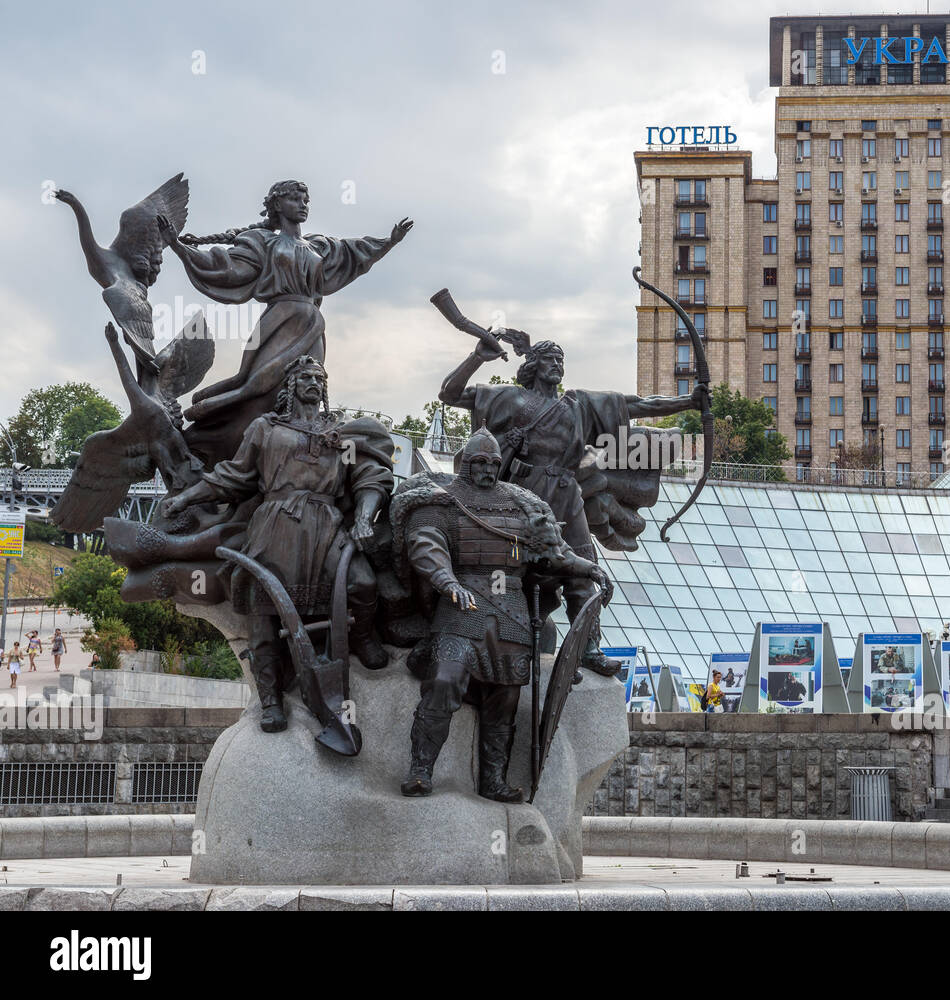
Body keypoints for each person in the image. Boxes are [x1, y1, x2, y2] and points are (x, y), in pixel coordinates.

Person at [439, 334, 705, 677]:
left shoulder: (578, 406)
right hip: (522, 495)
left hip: (566, 495)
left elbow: (638, 404)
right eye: (551, 359)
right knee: (509, 570)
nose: (558, 366)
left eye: (561, 360)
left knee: (582, 569)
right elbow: (449, 394)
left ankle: (587, 648)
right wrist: (478, 356)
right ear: (533, 366)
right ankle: (498, 637)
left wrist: (688, 401)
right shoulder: (509, 397)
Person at [160, 356, 395, 735]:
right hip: (276, 525)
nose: (313, 383)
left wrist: (365, 517)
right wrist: (186, 498)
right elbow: (233, 476)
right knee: (264, 609)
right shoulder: (266, 429)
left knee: (362, 583)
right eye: (305, 377)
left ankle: (363, 635)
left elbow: (370, 478)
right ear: (290, 386)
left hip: (325, 524)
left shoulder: (340, 435)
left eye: (320, 377)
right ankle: (271, 701)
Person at [388, 428, 612, 799]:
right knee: (444, 682)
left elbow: (550, 554)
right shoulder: (440, 502)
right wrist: (447, 583)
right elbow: (426, 544)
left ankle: (493, 781)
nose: (487, 470)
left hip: (511, 615)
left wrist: (587, 568)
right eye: (479, 463)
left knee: (504, 701)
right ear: (465, 463)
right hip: (461, 609)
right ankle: (420, 770)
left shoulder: (522, 506)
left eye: (493, 463)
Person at [158, 180, 412, 467]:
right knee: (259, 393)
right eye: (295, 199)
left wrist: (390, 241)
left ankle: (290, 460)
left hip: (312, 326)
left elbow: (355, 254)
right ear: (277, 205)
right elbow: (226, 269)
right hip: (279, 320)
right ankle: (216, 453)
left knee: (302, 391)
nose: (303, 204)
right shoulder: (261, 242)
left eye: (306, 200)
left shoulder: (319, 246)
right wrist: (178, 248)